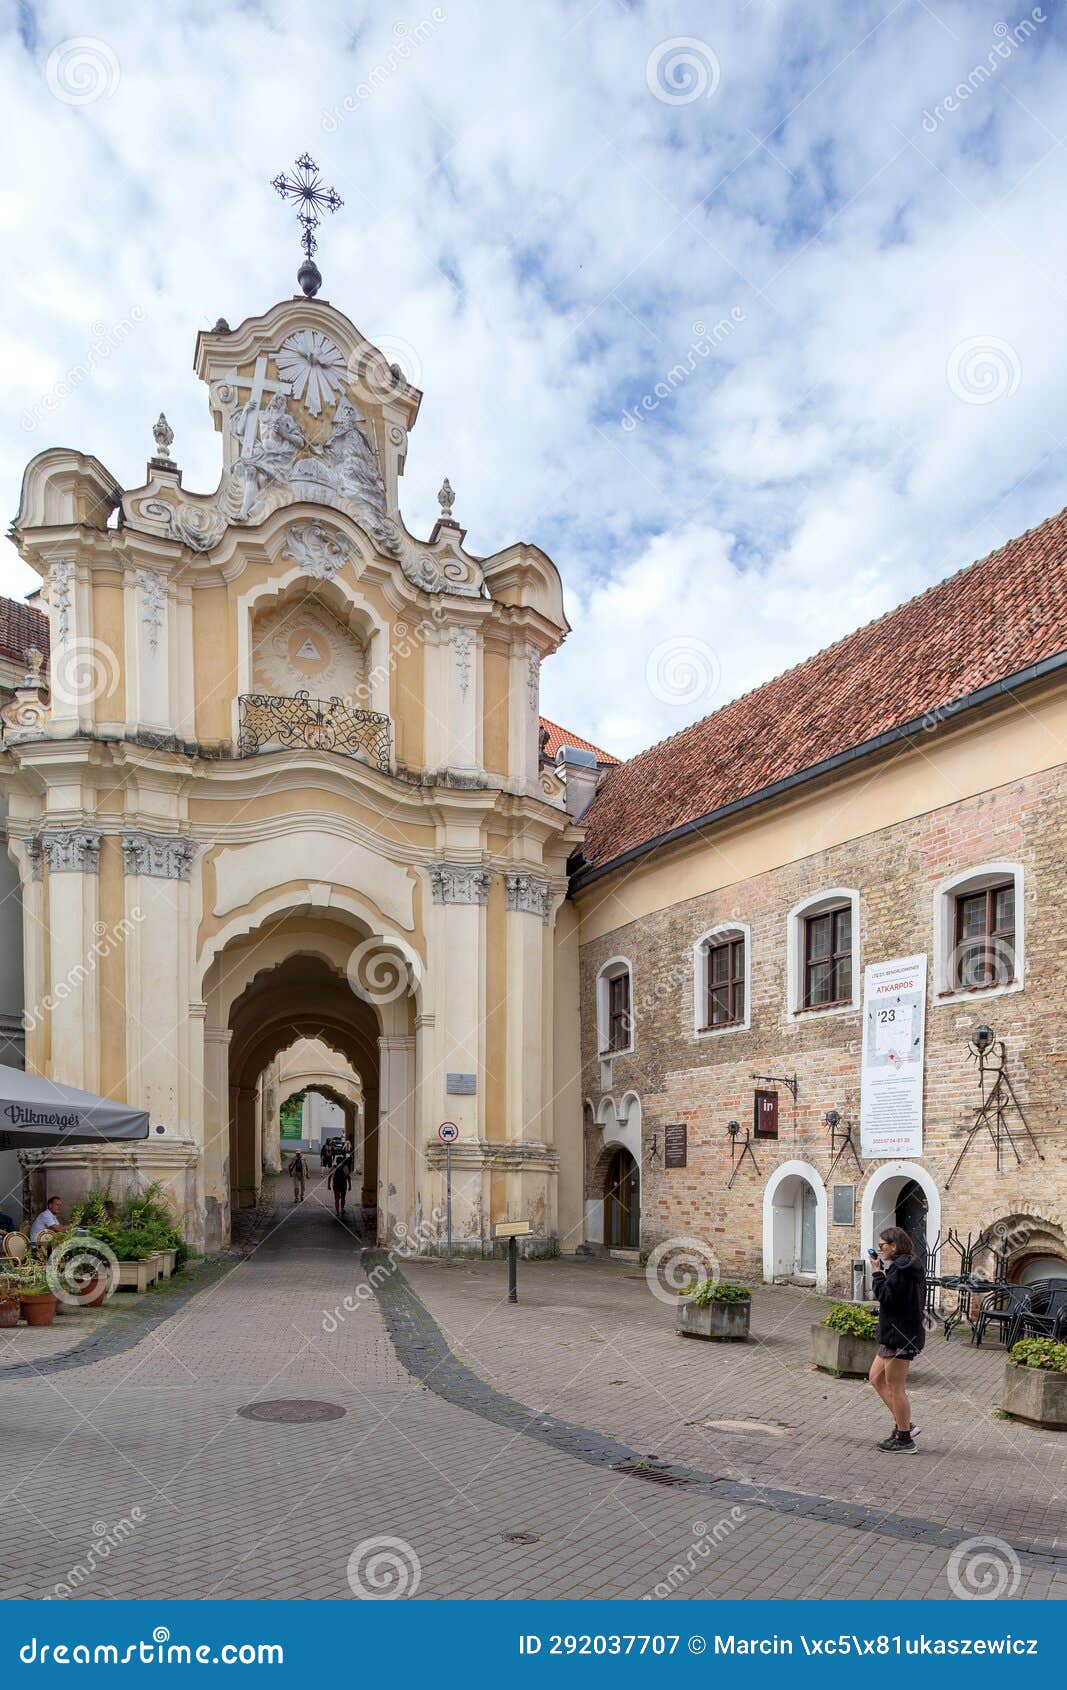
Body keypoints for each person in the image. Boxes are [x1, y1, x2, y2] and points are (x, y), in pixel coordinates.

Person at [868, 1225, 926, 1452]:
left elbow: (886, 1297)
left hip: (901, 1336)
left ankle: (905, 1439)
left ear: (894, 1246)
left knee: (895, 1387)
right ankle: (906, 1425)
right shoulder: (902, 1267)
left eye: (882, 1246)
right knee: (875, 1378)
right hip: (893, 1334)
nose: (880, 1250)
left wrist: (876, 1273)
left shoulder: (903, 1270)